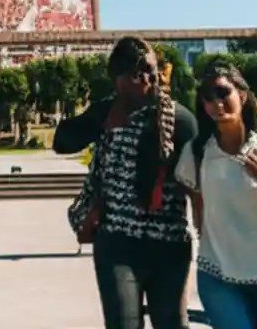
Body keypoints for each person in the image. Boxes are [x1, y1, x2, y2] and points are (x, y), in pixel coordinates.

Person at [63, 36, 199, 329]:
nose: (148, 79)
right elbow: (62, 141)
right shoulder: (106, 112)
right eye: (138, 73)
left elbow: (198, 181)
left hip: (169, 244)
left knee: (172, 323)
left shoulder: (178, 119)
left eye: (152, 70)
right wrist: (102, 119)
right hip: (118, 244)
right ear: (118, 79)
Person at [175, 61, 257, 329]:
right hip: (218, 273)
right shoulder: (197, 153)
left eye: (222, 93)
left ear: (242, 95)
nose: (216, 103)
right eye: (207, 98)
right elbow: (197, 210)